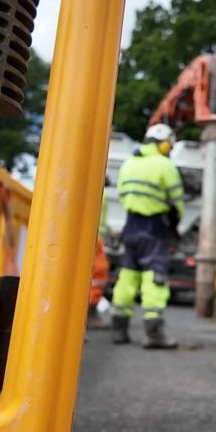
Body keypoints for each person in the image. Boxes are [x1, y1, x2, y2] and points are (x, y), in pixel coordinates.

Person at [111, 123, 185, 348]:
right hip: (154, 228)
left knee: (127, 276)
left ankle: (119, 329)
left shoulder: (129, 163)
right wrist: (175, 223)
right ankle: (154, 333)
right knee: (155, 278)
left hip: (130, 226)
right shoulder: (165, 165)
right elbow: (177, 202)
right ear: (163, 143)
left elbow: (122, 196)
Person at [86, 183, 110, 329]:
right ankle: (90, 313)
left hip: (94, 236)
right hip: (94, 238)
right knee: (97, 274)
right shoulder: (97, 190)